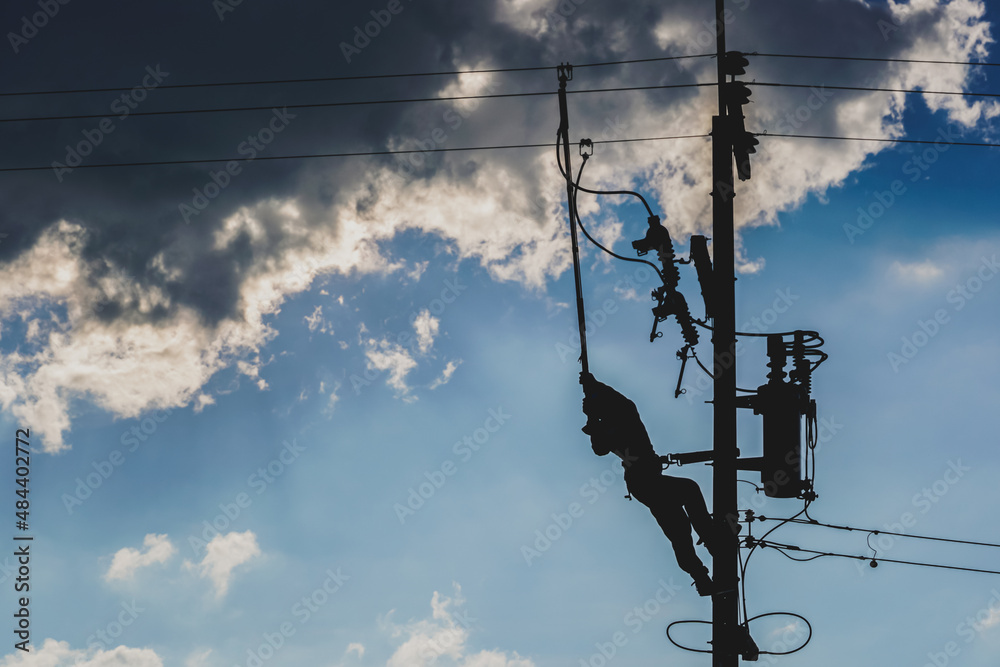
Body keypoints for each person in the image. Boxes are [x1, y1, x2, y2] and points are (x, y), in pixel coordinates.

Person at [581, 372, 718, 596]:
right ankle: (710, 542)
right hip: (645, 480)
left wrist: (594, 391)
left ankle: (701, 575)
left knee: (678, 529)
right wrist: (593, 404)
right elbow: (601, 445)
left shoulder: (615, 422)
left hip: (642, 482)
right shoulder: (615, 423)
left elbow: (603, 438)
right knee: (688, 493)